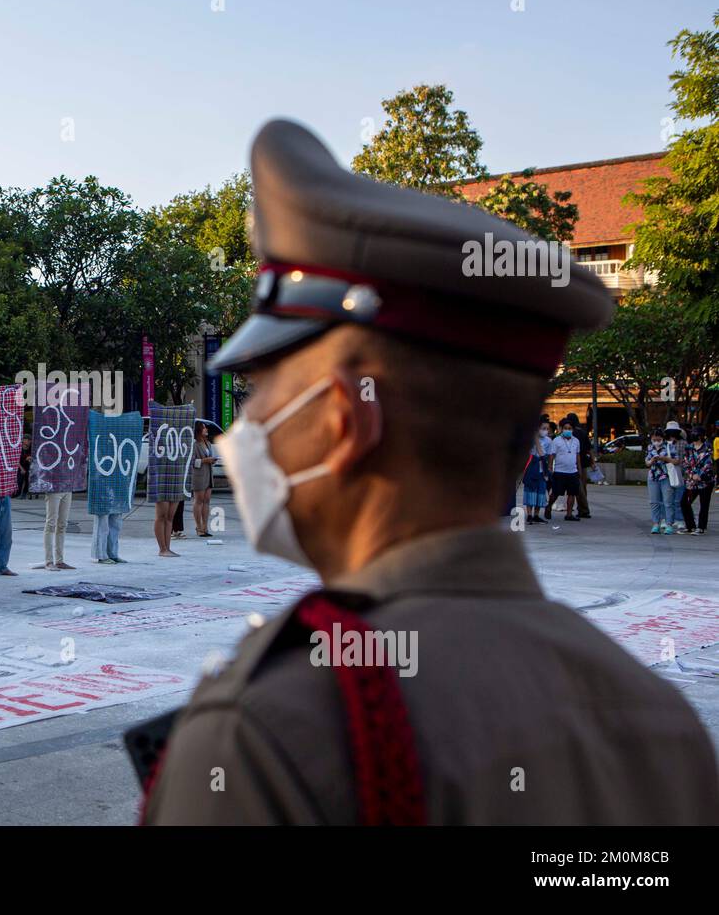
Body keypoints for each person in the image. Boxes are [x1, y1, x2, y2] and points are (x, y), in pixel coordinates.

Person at [138, 118, 717, 824]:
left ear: (345, 423)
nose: (246, 427)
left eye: (263, 393)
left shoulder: (275, 731)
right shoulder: (657, 719)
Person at [545, 422, 582, 522]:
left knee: (572, 493)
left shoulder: (576, 441)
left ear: (572, 430)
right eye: (565, 428)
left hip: (573, 471)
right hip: (559, 471)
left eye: (569, 428)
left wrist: (579, 469)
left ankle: (569, 514)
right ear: (562, 429)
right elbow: (552, 455)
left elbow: (577, 455)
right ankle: (549, 506)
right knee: (556, 493)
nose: (567, 430)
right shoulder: (556, 441)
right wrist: (549, 467)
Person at [681, 426, 714, 535]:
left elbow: (708, 464)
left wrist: (700, 475)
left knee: (704, 504)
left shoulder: (707, 448)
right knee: (684, 502)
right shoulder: (689, 448)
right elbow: (685, 462)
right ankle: (690, 526)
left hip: (705, 481)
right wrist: (691, 475)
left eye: (695, 433)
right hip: (692, 481)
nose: (693, 435)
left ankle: (701, 527)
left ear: (700, 436)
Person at [565, 413, 594, 518]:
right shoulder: (583, 432)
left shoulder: (572, 434)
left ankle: (584, 509)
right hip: (583, 463)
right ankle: (581, 509)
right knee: (582, 487)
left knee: (578, 488)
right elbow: (589, 449)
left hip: (574, 463)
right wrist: (592, 462)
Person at [191, 422, 217, 535]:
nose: (206, 429)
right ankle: (198, 527)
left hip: (208, 473)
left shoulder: (208, 443)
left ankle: (205, 527)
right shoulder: (194, 445)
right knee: (199, 501)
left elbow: (209, 457)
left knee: (207, 501)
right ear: (198, 430)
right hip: (199, 475)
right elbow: (191, 462)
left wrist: (212, 460)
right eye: (204, 427)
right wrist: (204, 461)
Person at [520, 425, 548, 525]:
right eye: (542, 428)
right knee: (530, 492)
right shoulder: (529, 440)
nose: (544, 431)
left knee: (540, 493)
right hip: (531, 470)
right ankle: (529, 515)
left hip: (542, 471)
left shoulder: (548, 441)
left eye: (546, 429)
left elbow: (545, 455)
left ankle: (536, 515)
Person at [42, 489, 74, 570]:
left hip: (67, 487)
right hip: (54, 488)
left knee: (62, 525)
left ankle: (59, 561)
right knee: (50, 524)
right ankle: (49, 561)